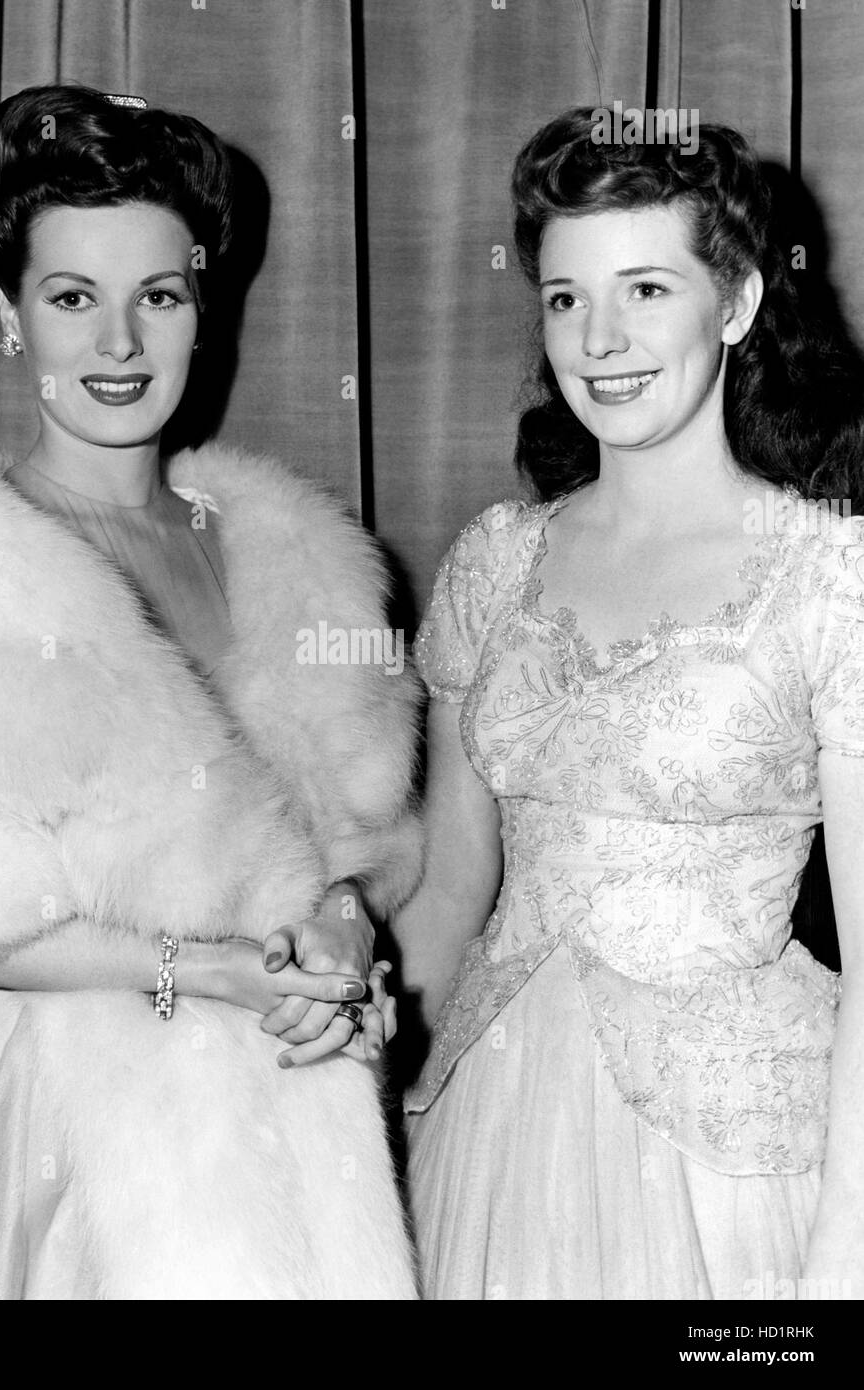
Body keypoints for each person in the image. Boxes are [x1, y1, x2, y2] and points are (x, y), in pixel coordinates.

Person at [0, 85, 421, 1300]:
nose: (118, 345)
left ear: (203, 309)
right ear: (11, 316)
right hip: (51, 1140)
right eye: (70, 299)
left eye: (156, 296)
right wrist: (197, 972)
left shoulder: (286, 550)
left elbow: (363, 843)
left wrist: (345, 922)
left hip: (288, 1128)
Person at [395, 107, 864, 1300]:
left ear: (741, 302)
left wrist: (842, 1268)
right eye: (564, 297)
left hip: (735, 1175)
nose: (598, 338)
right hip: (487, 1144)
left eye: (647, 288)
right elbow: (450, 900)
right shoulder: (496, 559)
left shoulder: (829, 575)